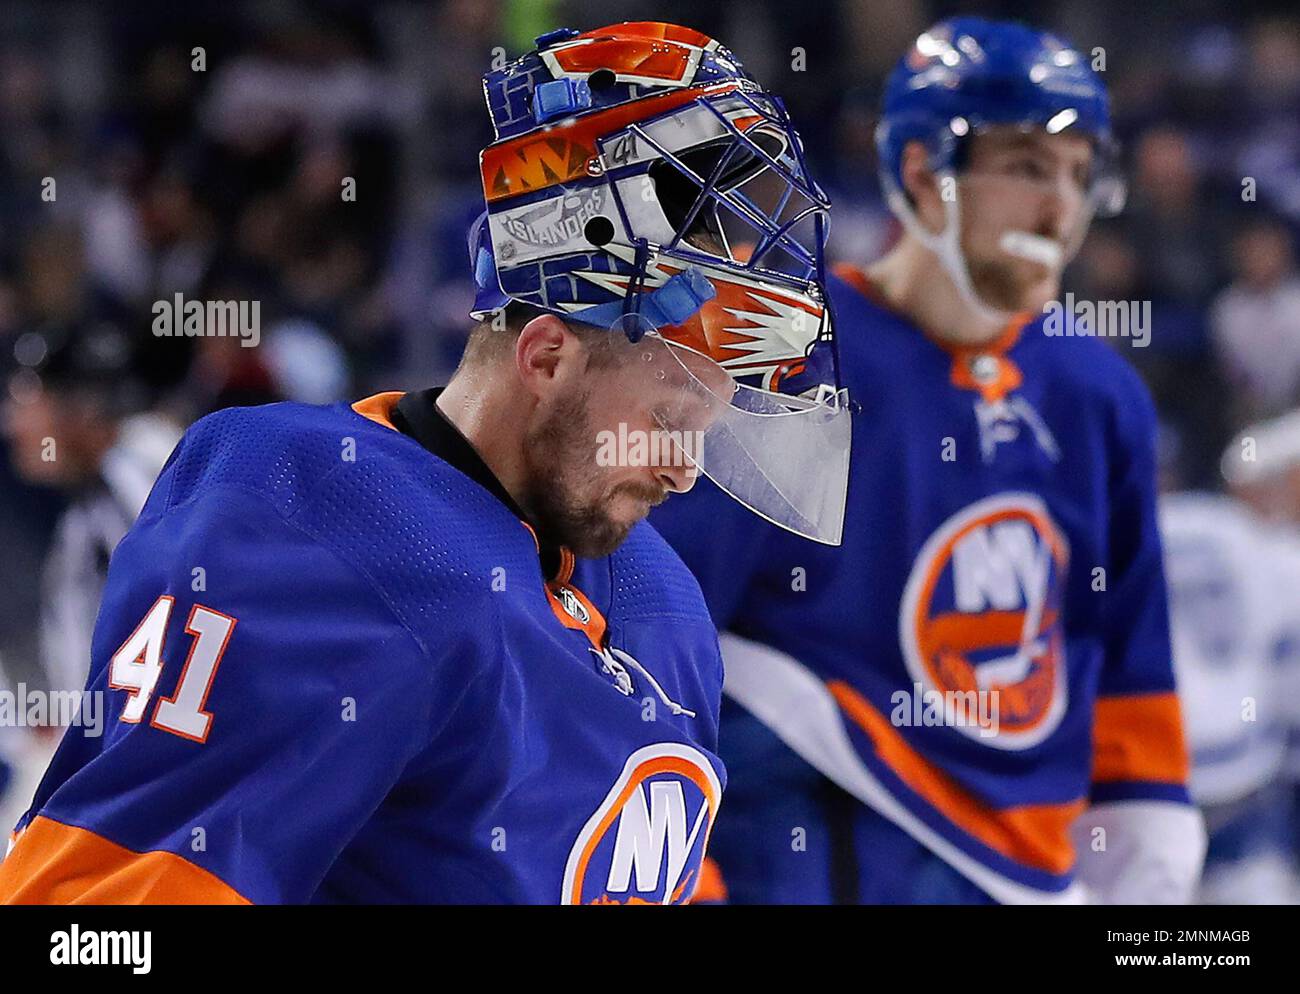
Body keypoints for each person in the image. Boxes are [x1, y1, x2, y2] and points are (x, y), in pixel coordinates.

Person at [0, 22, 849, 905]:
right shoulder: (317, 518)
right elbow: (95, 913)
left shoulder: (658, 598)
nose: (682, 472)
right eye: (670, 419)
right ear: (547, 354)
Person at [652, 16, 1204, 904]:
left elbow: (1129, 654)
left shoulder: (1100, 393)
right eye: (1026, 166)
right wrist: (677, 868)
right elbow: (658, 626)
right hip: (818, 821)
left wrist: (1145, 877)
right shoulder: (785, 353)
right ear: (922, 169)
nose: (1060, 209)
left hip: (1026, 861)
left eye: (1078, 173)